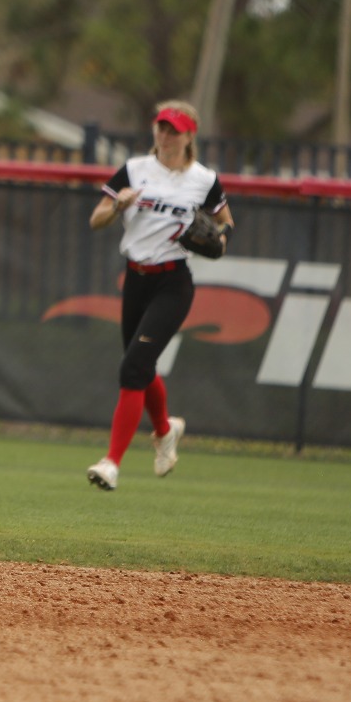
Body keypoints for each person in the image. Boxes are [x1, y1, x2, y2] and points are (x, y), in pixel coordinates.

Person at [83, 99, 233, 492]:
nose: (165, 136)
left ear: (189, 136)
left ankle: (112, 462)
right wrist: (118, 204)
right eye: (161, 128)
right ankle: (165, 431)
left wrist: (221, 240)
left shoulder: (203, 179)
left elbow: (225, 222)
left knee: (132, 368)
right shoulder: (134, 170)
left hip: (173, 283)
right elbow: (96, 219)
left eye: (174, 130)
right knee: (141, 366)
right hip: (136, 280)